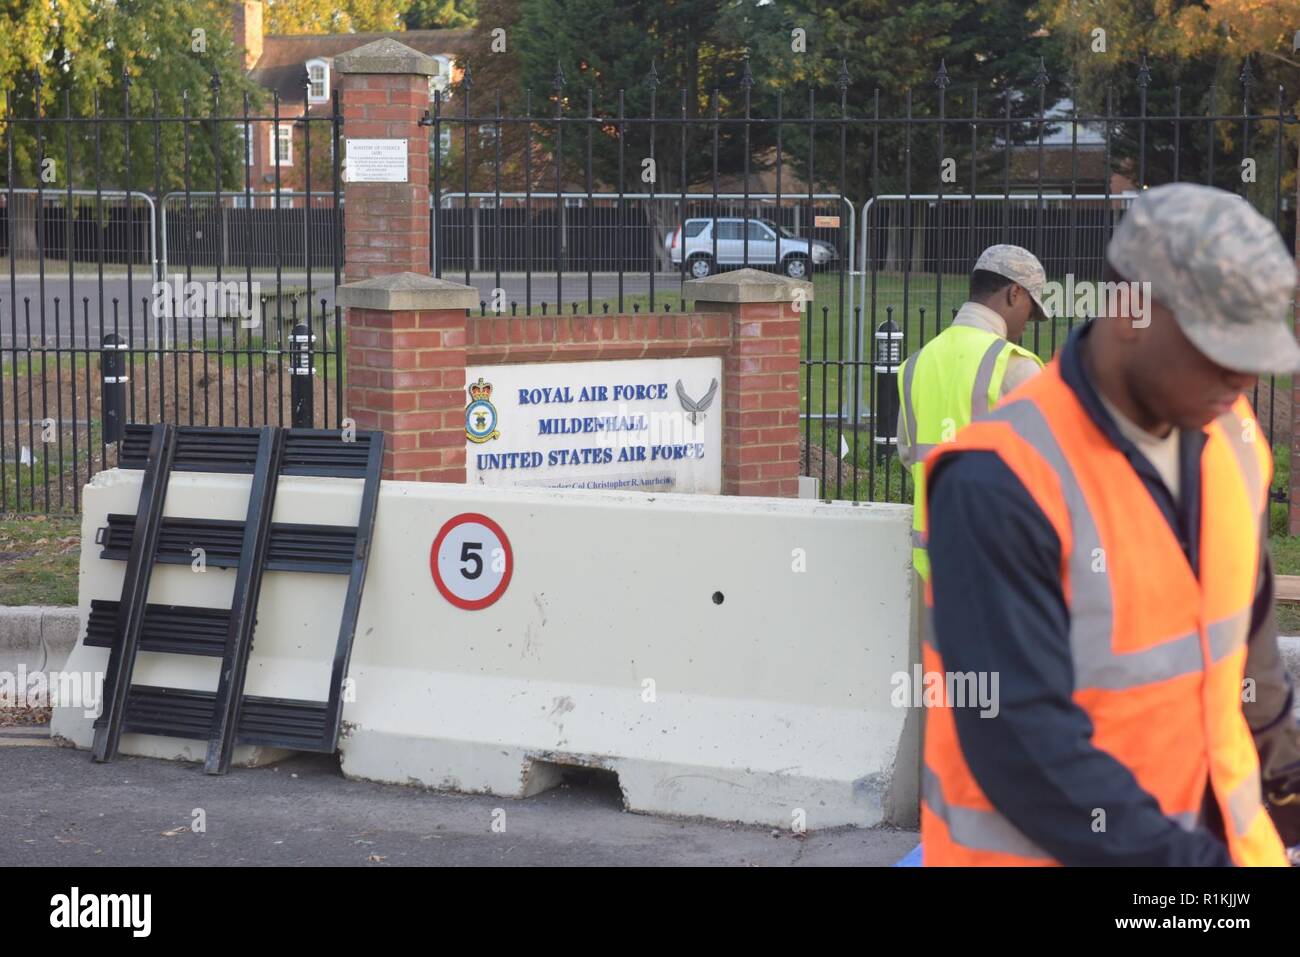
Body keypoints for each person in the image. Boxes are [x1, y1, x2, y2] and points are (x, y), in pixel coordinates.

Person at [920, 182, 1300, 866]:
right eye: (1219, 347)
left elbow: (1252, 650)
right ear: (1131, 312)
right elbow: (1026, 744)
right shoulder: (998, 479)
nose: (1241, 379)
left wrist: (1288, 797)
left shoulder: (1232, 435)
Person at [897, 245, 1049, 580]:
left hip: (935, 561)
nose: (1027, 322)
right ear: (1015, 293)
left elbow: (909, 455)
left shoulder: (915, 365)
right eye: (1030, 309)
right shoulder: (1013, 365)